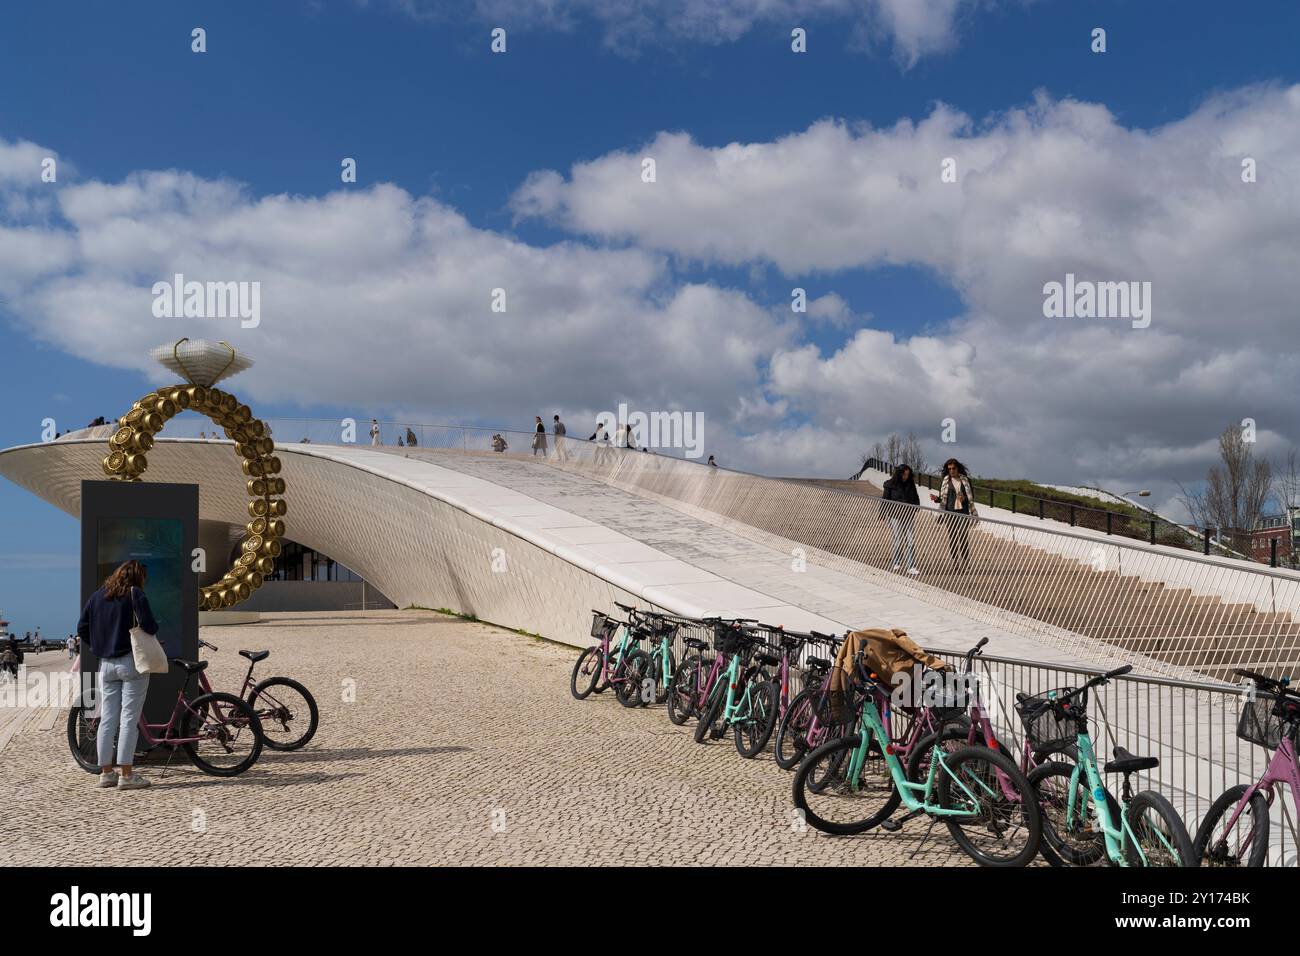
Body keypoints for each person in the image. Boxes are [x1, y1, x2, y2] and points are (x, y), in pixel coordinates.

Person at [76, 560, 159, 790]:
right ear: (137, 577)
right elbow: (150, 626)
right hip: (131, 662)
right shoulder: (135, 594)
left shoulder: (97, 596)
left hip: (106, 665)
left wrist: (98, 646)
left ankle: (106, 773)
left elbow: (82, 628)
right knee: (128, 720)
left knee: (107, 719)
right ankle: (127, 775)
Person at [931, 458, 977, 569]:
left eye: (953, 468)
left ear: (958, 468)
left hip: (963, 512)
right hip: (949, 513)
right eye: (949, 469)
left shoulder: (965, 480)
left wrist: (964, 498)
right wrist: (936, 499)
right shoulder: (946, 481)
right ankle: (955, 563)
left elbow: (971, 497)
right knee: (952, 538)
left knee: (963, 537)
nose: (951, 471)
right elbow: (942, 498)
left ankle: (965, 563)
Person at [881, 464, 921, 575]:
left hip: (908, 515)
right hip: (894, 516)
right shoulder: (890, 484)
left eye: (908, 475)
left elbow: (916, 496)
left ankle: (911, 566)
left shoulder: (910, 483)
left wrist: (916, 506)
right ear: (899, 473)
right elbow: (885, 499)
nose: (906, 477)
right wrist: (882, 514)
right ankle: (896, 563)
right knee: (897, 539)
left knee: (911, 540)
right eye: (904, 474)